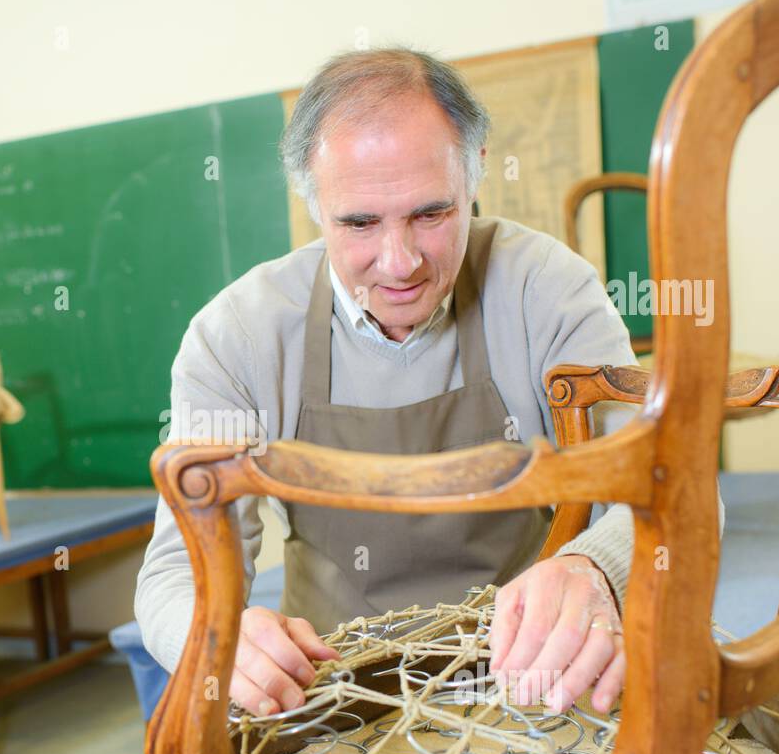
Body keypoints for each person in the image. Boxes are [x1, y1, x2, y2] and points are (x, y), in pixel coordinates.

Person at [135, 48, 721, 719]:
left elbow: (681, 489)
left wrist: (598, 568)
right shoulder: (236, 336)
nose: (400, 262)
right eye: (358, 223)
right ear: (311, 204)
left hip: (530, 683)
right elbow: (173, 572)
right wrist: (215, 636)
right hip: (331, 695)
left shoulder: (546, 290)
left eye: (431, 214)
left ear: (474, 174)